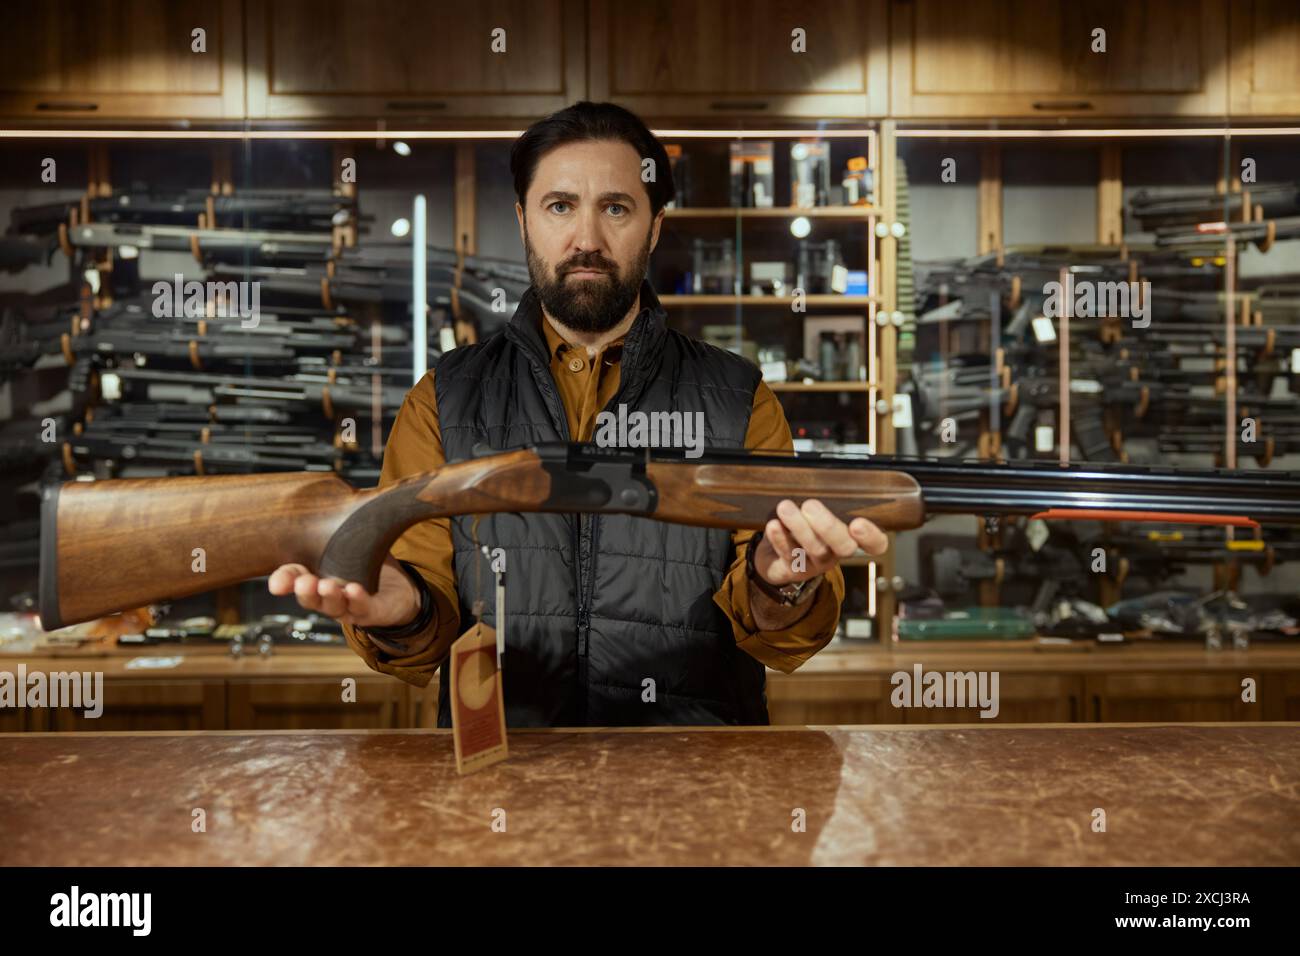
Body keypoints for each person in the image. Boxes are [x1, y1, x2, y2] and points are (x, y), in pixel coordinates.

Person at [268, 101, 887, 727]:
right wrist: (405, 610)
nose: (586, 239)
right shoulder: (442, 397)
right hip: (500, 786)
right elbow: (418, 633)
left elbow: (786, 641)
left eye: (615, 207)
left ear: (654, 227)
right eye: (559, 205)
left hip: (698, 786)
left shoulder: (740, 397)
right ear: (524, 220)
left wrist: (778, 584)